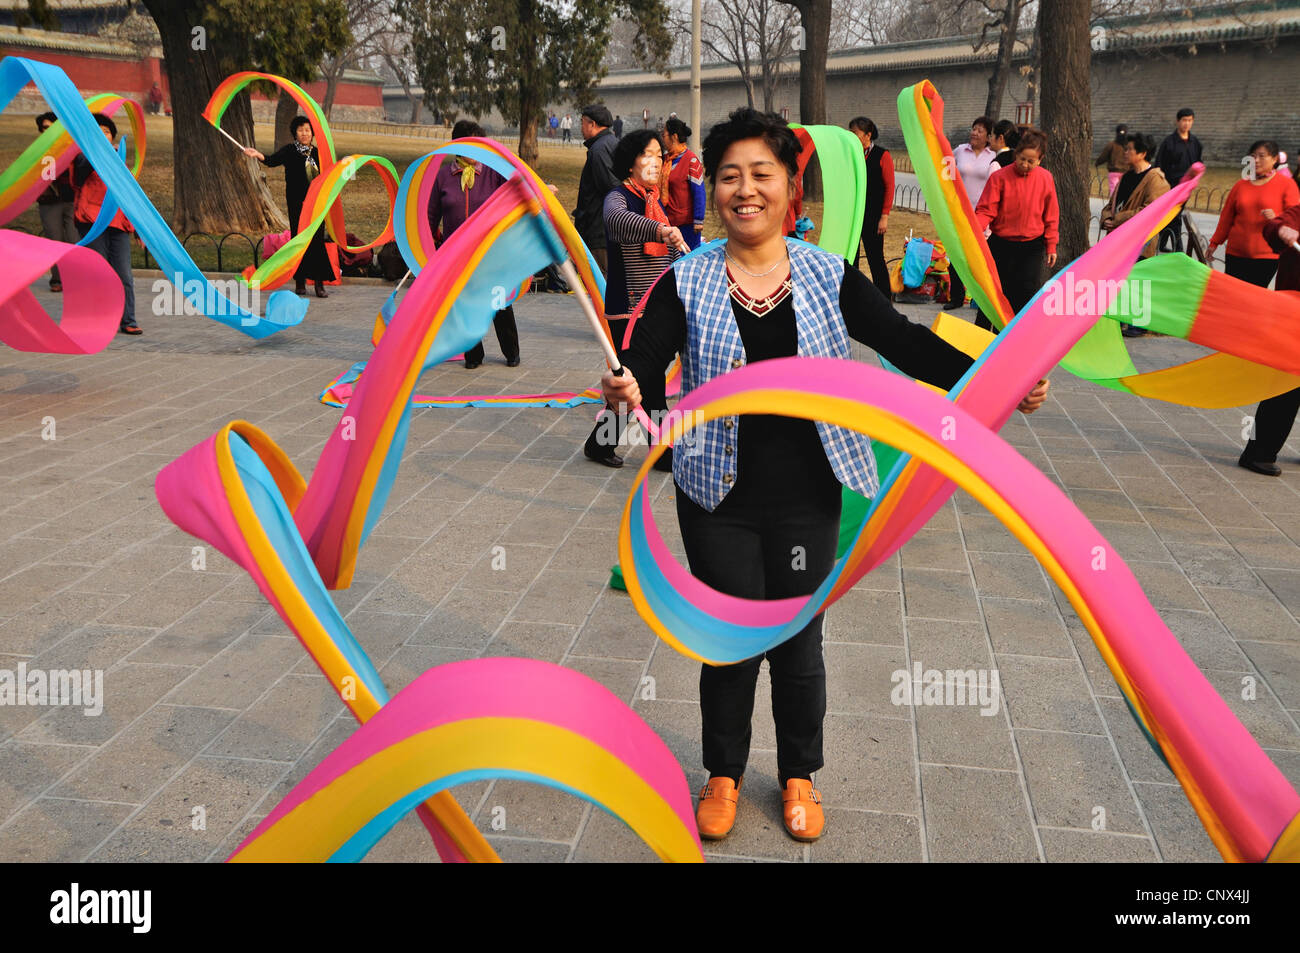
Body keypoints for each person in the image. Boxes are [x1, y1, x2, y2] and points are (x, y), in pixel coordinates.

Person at [600, 108, 1049, 844]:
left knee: (799, 641)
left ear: (790, 189)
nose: (745, 190)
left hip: (810, 491)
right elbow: (643, 372)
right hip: (715, 491)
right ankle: (723, 773)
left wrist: (998, 377)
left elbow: (907, 344)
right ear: (712, 189)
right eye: (729, 177)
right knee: (731, 638)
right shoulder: (686, 280)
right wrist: (627, 390)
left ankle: (800, 773)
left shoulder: (825, 274)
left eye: (761, 175)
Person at [582, 129, 687, 469]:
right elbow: (616, 221)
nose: (656, 161)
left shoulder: (656, 201)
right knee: (642, 379)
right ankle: (654, 451)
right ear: (630, 163)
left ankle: (617, 447)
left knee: (645, 379)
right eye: (648, 154)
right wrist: (662, 231)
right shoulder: (620, 196)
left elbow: (666, 256)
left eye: (660, 155)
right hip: (627, 309)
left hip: (653, 309)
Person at [423, 120, 521, 368]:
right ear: (458, 145)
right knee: (464, 305)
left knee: (499, 303)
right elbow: (431, 215)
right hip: (456, 255)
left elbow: (515, 198)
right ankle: (473, 355)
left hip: (491, 253)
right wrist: (425, 246)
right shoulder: (444, 175)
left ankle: (511, 352)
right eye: (471, 144)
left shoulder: (494, 172)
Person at [974, 127, 1060, 327]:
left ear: (1041, 159)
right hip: (1002, 244)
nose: (1025, 165)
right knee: (994, 292)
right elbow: (986, 209)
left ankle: (1016, 337)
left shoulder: (1046, 178)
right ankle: (984, 337)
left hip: (1031, 246)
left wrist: (1051, 245)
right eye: (1022, 159)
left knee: (1024, 293)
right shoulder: (999, 177)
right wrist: (976, 229)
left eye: (1032, 161)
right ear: (1015, 154)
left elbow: (1051, 215)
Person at [244, 116, 334, 298]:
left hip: (316, 204)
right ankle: (300, 282)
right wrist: (257, 154)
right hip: (296, 204)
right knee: (298, 241)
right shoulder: (289, 151)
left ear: (312, 133)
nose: (305, 133)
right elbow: (271, 160)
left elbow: (330, 174)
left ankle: (318, 284)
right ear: (295, 133)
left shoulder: (319, 153)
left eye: (308, 130)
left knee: (316, 242)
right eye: (301, 130)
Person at [1240, 204, 1300, 475]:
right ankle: (1257, 452)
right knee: (1284, 388)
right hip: (1294, 317)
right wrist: (1282, 230)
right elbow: (1272, 226)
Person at [72, 112, 140, 334]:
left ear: (113, 137)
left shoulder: (120, 162)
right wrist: (96, 155)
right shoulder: (83, 157)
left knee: (123, 274)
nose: (103, 135)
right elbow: (78, 178)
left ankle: (128, 320)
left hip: (118, 223)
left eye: (107, 132)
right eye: (98, 131)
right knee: (99, 271)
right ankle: (99, 319)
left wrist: (139, 229)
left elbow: (130, 195)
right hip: (92, 221)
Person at [1100, 132, 1169, 337]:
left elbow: (1151, 210)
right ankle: (1120, 320)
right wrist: (1106, 219)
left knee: (1138, 280)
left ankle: (1138, 324)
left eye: (1130, 149)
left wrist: (1118, 219)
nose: (1125, 152)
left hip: (1140, 240)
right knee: (1119, 280)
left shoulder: (1155, 179)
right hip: (1118, 238)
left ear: (1142, 153)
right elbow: (1111, 204)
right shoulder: (1126, 176)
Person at [1208, 139, 1300, 288]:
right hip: (1235, 253)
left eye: (1262, 156)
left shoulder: (1287, 185)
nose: (1256, 160)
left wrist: (1276, 218)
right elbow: (1227, 217)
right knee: (1233, 294)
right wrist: (1214, 242)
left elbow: (1294, 217)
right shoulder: (1241, 185)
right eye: (1253, 156)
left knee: (1253, 298)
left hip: (1266, 256)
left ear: (1275, 159)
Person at [950, 116, 996, 309]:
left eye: (980, 130)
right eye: (973, 128)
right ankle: (956, 297)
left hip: (983, 213)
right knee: (956, 256)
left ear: (988, 136)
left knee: (981, 258)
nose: (974, 133)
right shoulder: (960, 151)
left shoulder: (992, 156)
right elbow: (947, 173)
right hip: (960, 211)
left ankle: (981, 299)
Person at [848, 116, 895, 298]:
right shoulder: (851, 154)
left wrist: (884, 216)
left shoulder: (882, 155)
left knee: (875, 258)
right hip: (854, 214)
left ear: (868, 135)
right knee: (851, 257)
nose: (851, 136)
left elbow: (890, 187)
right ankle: (854, 295)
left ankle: (884, 297)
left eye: (855, 133)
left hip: (874, 216)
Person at [573, 104, 620, 276]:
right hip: (606, 227)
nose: (581, 127)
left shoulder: (599, 150)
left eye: (583, 123)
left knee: (601, 281)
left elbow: (611, 187)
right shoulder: (612, 143)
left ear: (592, 124)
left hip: (599, 229)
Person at [34, 112, 75, 292]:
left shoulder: (69, 147)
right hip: (49, 202)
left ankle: (76, 276)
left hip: (72, 200)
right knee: (55, 240)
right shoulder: (37, 151)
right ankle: (57, 279)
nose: (48, 131)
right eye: (45, 128)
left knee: (75, 240)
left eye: (53, 127)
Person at [1155, 108, 1203, 252]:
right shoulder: (1169, 142)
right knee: (1175, 217)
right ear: (1178, 121)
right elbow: (1159, 164)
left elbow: (1198, 163)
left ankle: (1161, 242)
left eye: (1189, 121)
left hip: (1186, 188)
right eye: (1184, 120)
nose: (1186, 124)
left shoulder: (1195, 143)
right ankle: (1178, 249)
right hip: (1170, 186)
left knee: (1172, 216)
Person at [661, 117, 706, 250]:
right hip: (667, 222)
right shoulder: (665, 160)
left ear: (673, 137)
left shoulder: (691, 160)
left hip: (686, 224)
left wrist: (698, 220)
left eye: (664, 135)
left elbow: (699, 191)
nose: (663, 139)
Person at [1095, 124, 1130, 198]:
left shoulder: (1111, 144)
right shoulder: (1129, 146)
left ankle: (1113, 206)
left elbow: (1103, 156)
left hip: (1114, 171)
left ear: (1116, 133)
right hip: (1126, 172)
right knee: (1125, 191)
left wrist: (1097, 163)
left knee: (1113, 192)